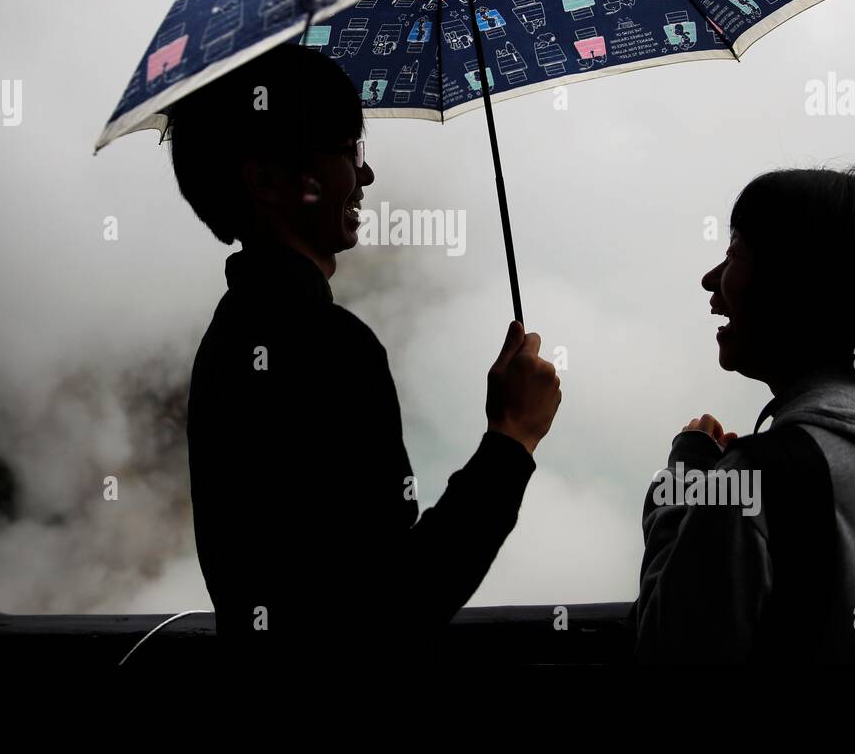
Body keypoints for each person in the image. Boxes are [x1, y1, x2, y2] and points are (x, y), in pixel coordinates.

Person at [165, 42, 561, 660]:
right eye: (349, 150)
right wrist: (512, 438)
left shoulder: (229, 334)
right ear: (267, 178)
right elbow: (397, 602)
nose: (365, 175)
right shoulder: (328, 345)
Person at [634, 167, 855, 664]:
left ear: (797, 289)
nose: (710, 280)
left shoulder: (757, 482)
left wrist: (682, 487)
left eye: (736, 254)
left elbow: (667, 650)